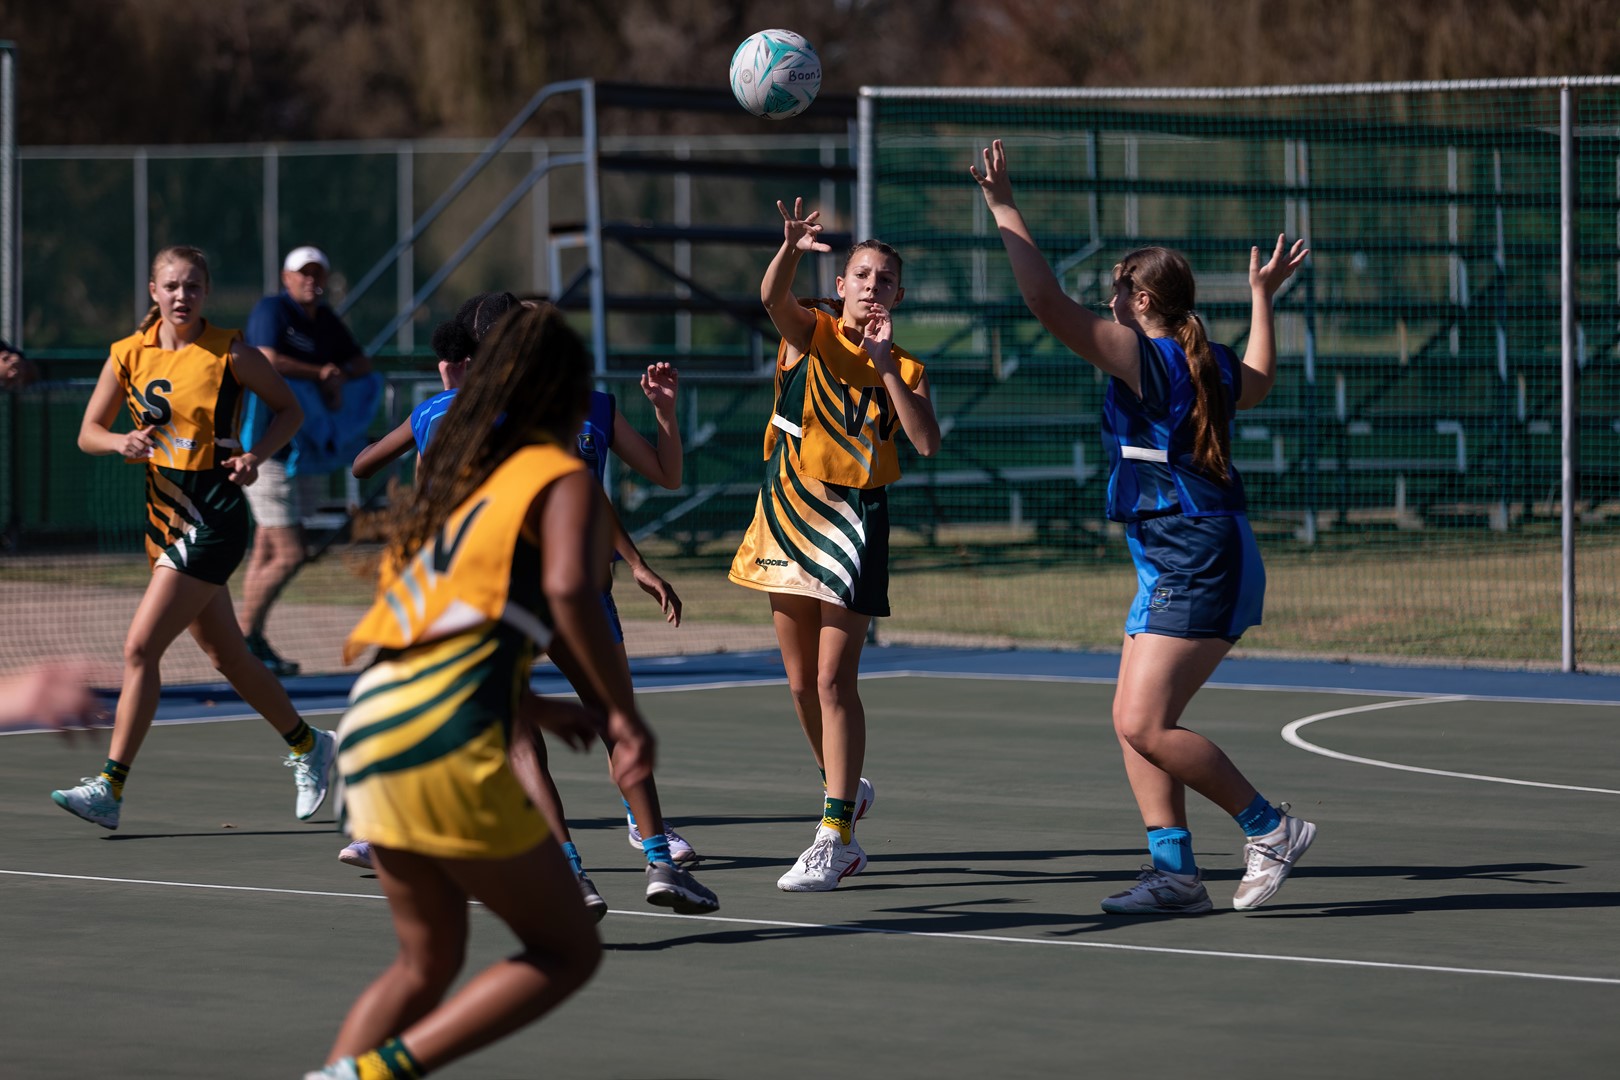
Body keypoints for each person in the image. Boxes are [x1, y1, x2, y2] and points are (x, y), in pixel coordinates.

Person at [306, 304, 659, 1080]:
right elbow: (570, 595)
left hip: (373, 727)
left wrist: (535, 707)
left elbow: (433, 638)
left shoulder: (457, 478)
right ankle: (366, 1073)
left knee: (424, 963)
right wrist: (622, 717)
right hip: (443, 740)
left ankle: (341, 1075)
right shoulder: (557, 476)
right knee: (566, 949)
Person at [970, 139, 1315, 913]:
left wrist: (1004, 207)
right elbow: (1259, 381)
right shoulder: (1204, 361)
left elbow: (1044, 303)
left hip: (1197, 551)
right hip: (1175, 552)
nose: (1109, 304)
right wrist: (1263, 297)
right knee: (1132, 722)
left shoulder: (1147, 358)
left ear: (1144, 300)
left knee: (1144, 722)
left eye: (1118, 291)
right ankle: (1176, 874)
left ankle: (1270, 828)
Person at [342, 292, 715, 919]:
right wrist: (630, 558)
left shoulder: (444, 412)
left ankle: (568, 872)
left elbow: (376, 475)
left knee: (515, 740)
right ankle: (658, 860)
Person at [50, 245, 338, 831]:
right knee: (228, 656)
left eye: (193, 286)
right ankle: (310, 745)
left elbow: (289, 411)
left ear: (206, 292)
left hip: (215, 516)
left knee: (139, 648)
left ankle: (110, 787)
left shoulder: (231, 351)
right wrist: (120, 441)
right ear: (153, 291)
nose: (183, 296)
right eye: (172, 286)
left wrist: (255, 456)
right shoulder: (128, 354)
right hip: (164, 520)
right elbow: (88, 431)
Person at [729, 199, 941, 892]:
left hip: (855, 524)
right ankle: (843, 788)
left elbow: (925, 442)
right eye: (862, 275)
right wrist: (789, 247)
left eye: (886, 279)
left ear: (898, 296)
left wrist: (885, 366)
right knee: (798, 684)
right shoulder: (810, 332)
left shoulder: (905, 367)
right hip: (789, 510)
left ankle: (836, 835)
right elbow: (771, 297)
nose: (873, 285)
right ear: (842, 285)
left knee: (831, 682)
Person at [237, 245, 380, 676]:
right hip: (266, 450)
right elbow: (265, 357)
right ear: (287, 278)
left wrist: (337, 377)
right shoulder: (272, 310)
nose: (310, 280)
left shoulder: (326, 320)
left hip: (303, 454)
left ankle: (249, 644)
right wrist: (320, 374)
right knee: (291, 553)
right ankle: (243, 642)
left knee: (267, 549)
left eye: (317, 273)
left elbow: (360, 362)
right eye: (303, 273)